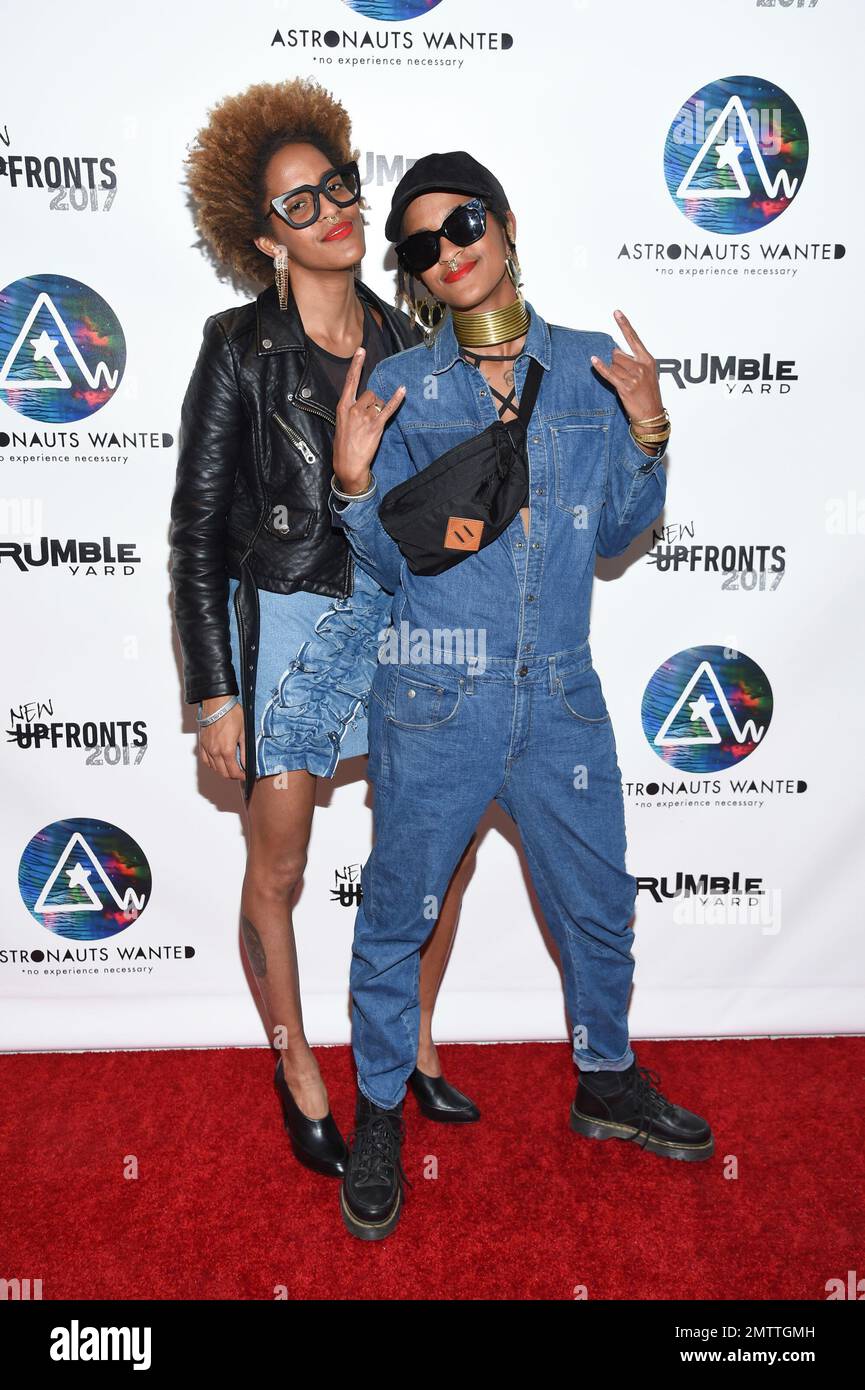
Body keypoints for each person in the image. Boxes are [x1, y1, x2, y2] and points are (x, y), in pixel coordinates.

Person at [330, 151, 714, 1241]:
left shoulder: (593, 369)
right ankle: (376, 1110)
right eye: (417, 247)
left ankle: (606, 1077)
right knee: (397, 916)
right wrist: (355, 486)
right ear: (409, 272)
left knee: (598, 907)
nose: (446, 254)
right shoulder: (405, 389)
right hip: (433, 699)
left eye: (460, 226)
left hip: (561, 702)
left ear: (501, 224)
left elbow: (620, 531)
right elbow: (388, 567)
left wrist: (648, 432)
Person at [169, 89, 480, 1184]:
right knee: (281, 862)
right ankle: (293, 1056)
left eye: (337, 185)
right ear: (265, 236)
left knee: (432, 847)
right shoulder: (239, 348)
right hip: (294, 620)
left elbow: (443, 513)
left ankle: (409, 1040)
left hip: (402, 620)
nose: (331, 209)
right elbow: (197, 531)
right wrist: (215, 693)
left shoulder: (411, 340)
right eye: (299, 201)